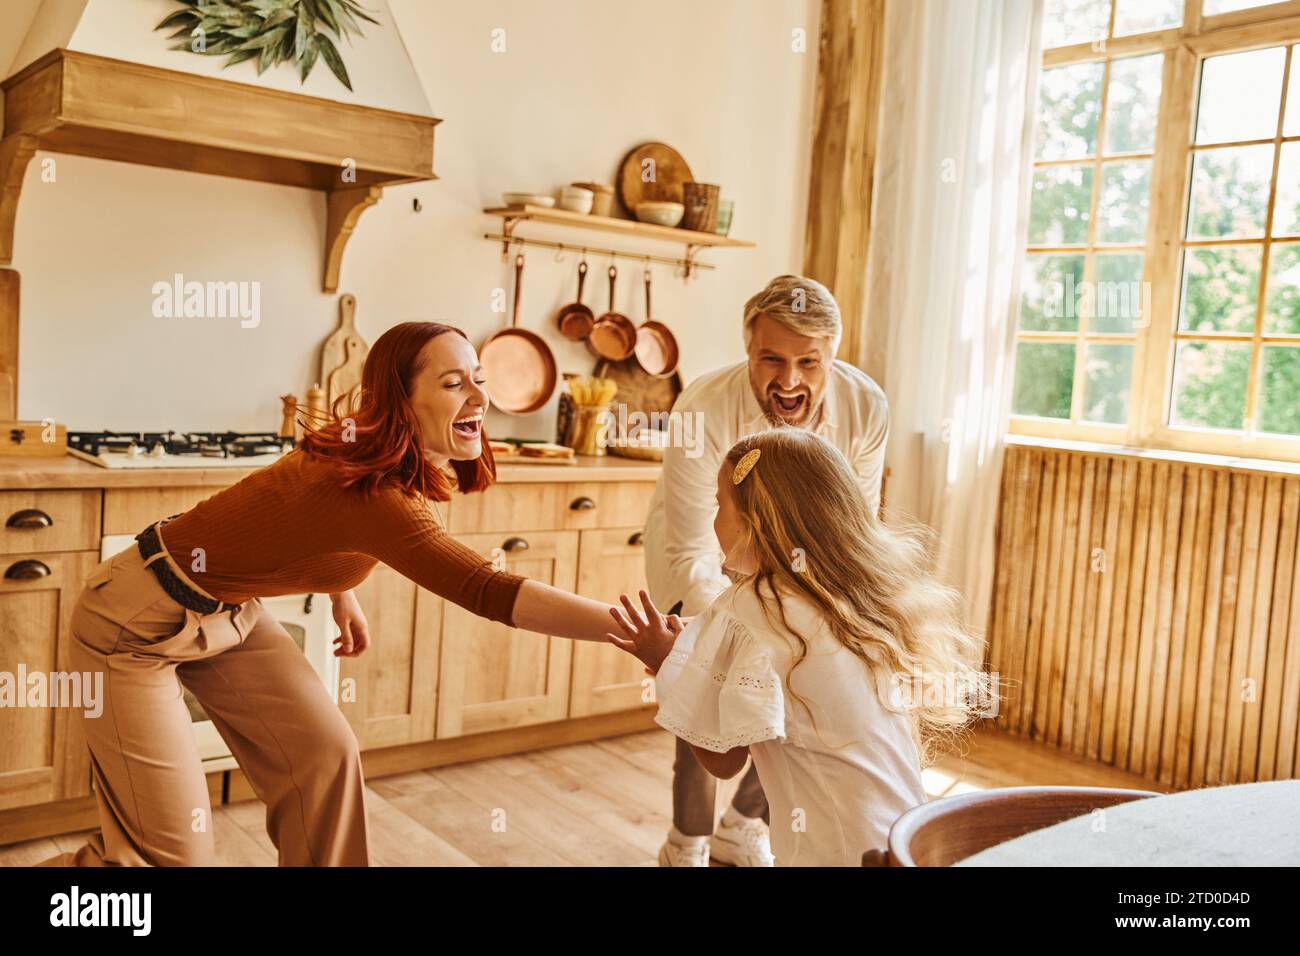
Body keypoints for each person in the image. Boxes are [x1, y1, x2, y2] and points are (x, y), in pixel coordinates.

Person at [40, 322, 636, 867]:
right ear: (401, 402)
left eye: (478, 379)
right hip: (133, 625)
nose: (480, 397)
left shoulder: (372, 459)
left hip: (230, 614)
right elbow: (488, 590)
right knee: (164, 859)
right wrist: (636, 632)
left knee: (324, 759)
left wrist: (336, 590)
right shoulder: (373, 487)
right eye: (454, 383)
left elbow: (296, 519)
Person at [610, 429, 991, 865]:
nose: (713, 519)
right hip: (912, 842)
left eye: (719, 503)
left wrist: (666, 662)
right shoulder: (860, 599)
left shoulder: (752, 608)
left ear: (755, 521)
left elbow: (723, 759)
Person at [642, 274, 889, 866]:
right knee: (702, 686)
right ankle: (687, 839)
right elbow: (691, 542)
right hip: (700, 561)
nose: (789, 380)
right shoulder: (703, 405)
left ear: (833, 352)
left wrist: (814, 616)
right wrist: (730, 635)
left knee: (802, 702)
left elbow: (857, 531)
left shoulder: (865, 405)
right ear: (747, 350)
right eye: (770, 359)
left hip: (810, 574)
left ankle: (743, 823)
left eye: (809, 361)